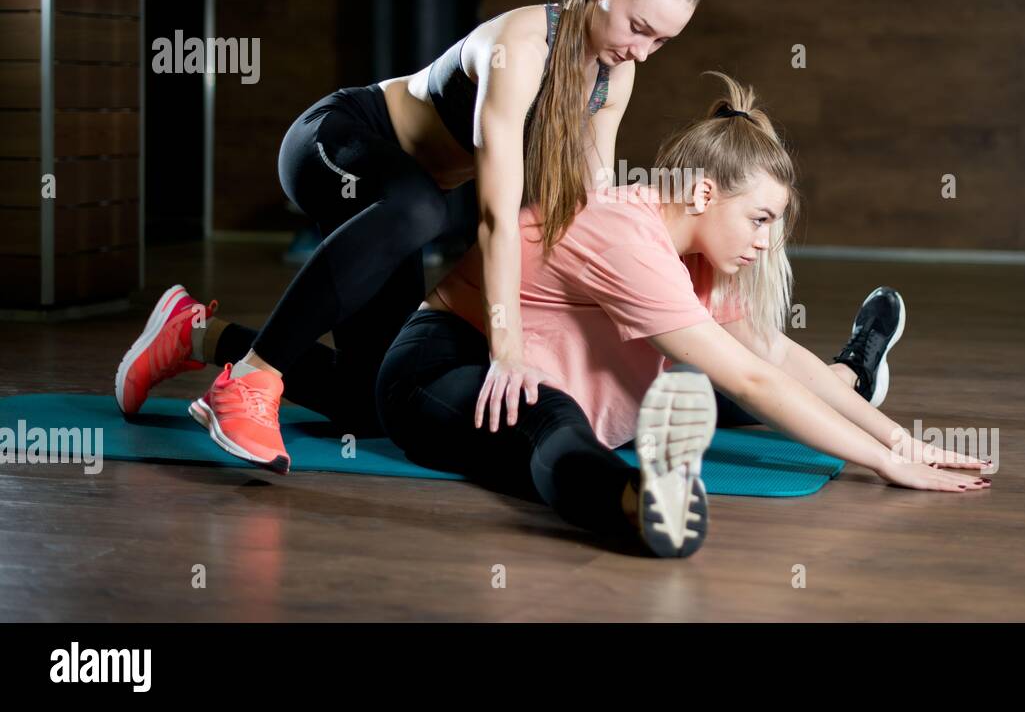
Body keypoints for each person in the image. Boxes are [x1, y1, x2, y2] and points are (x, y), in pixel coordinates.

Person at [114, 0, 705, 473]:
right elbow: (497, 218)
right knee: (424, 208)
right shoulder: (523, 46)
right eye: (638, 28)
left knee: (371, 397)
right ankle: (250, 378)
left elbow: (588, 209)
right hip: (336, 140)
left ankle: (194, 331)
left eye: (661, 42)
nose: (642, 52)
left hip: (400, 202)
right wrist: (508, 349)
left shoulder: (612, 78)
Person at [373, 73, 992, 557]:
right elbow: (755, 379)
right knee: (551, 416)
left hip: (556, 373)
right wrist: (884, 465)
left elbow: (769, 355)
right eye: (759, 219)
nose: (764, 242)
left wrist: (899, 441)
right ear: (701, 193)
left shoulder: (697, 251)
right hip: (444, 367)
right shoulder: (626, 235)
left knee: (713, 383)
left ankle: (854, 370)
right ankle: (635, 502)